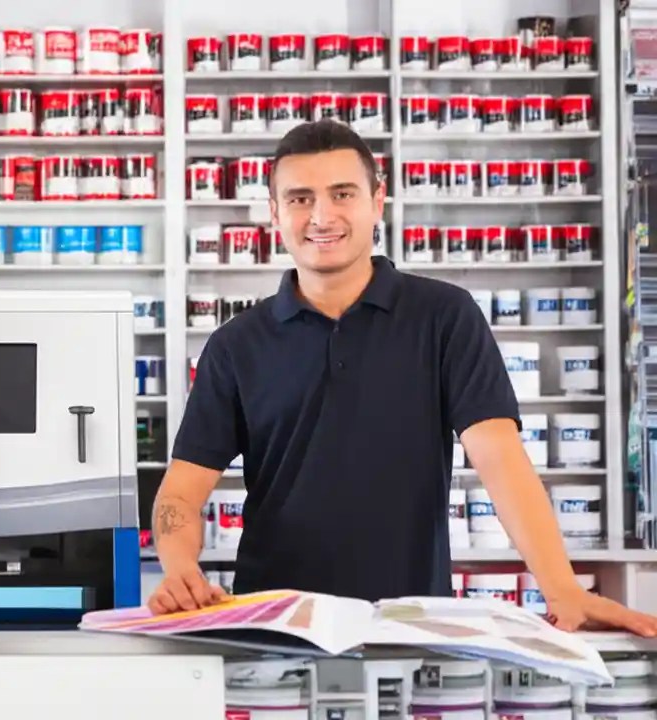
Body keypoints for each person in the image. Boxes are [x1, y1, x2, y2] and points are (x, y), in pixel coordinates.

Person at [148, 119, 657, 637]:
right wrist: (180, 567)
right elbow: (181, 495)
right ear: (275, 213)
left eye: (341, 193)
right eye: (300, 199)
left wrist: (561, 586)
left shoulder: (444, 317)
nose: (322, 215)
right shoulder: (236, 345)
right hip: (274, 629)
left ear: (377, 200)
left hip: (412, 626)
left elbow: (500, 460)